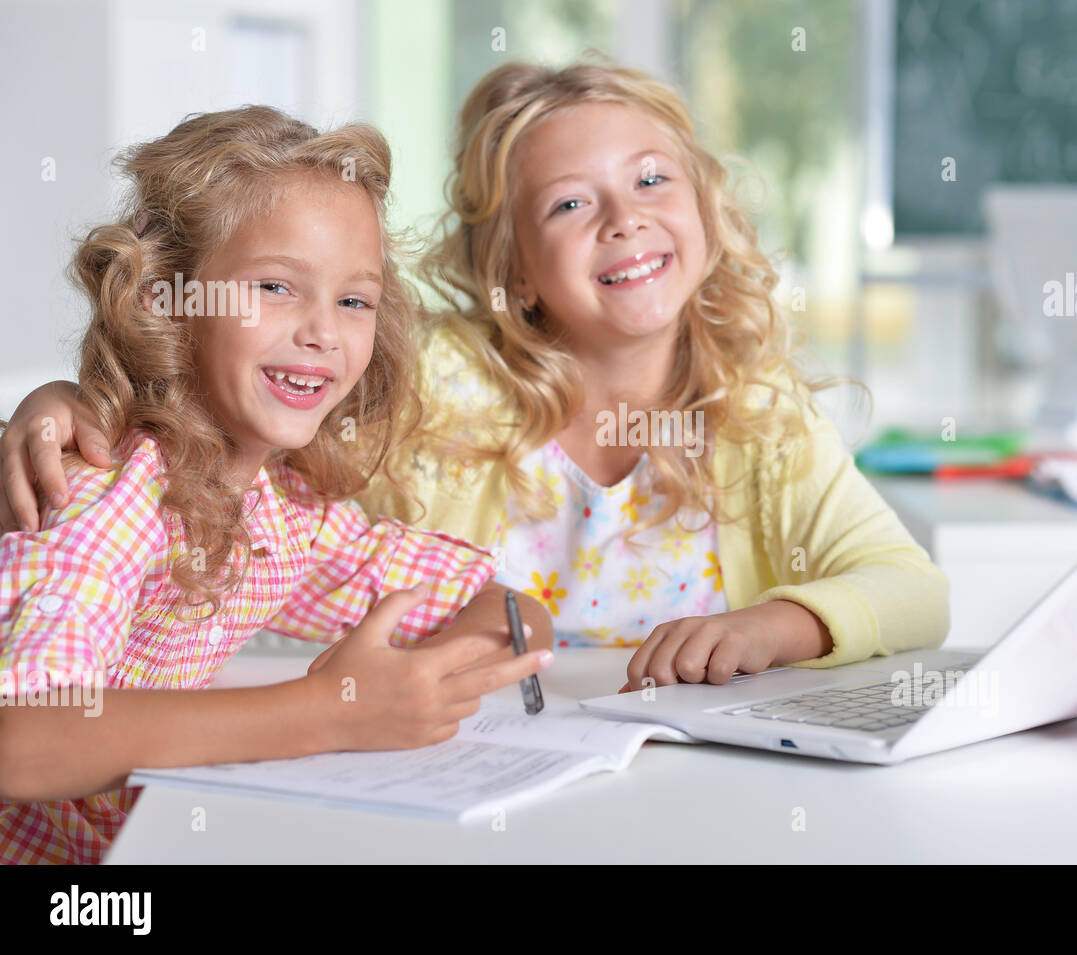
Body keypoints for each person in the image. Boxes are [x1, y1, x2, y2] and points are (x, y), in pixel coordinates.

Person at [0, 59, 948, 697]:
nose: (623, 219)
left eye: (653, 180)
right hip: (465, 758)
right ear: (516, 265)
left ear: (706, 203)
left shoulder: (755, 407)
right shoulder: (443, 379)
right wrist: (75, 400)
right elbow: (250, 421)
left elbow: (914, 590)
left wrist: (780, 624)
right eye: (572, 203)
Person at [0, 106, 552, 864]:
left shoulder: (284, 509)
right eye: (277, 287)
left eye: (353, 300)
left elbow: (507, 603)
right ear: (166, 296)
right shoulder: (106, 495)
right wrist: (327, 711)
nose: (324, 330)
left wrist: (417, 681)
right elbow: (22, 739)